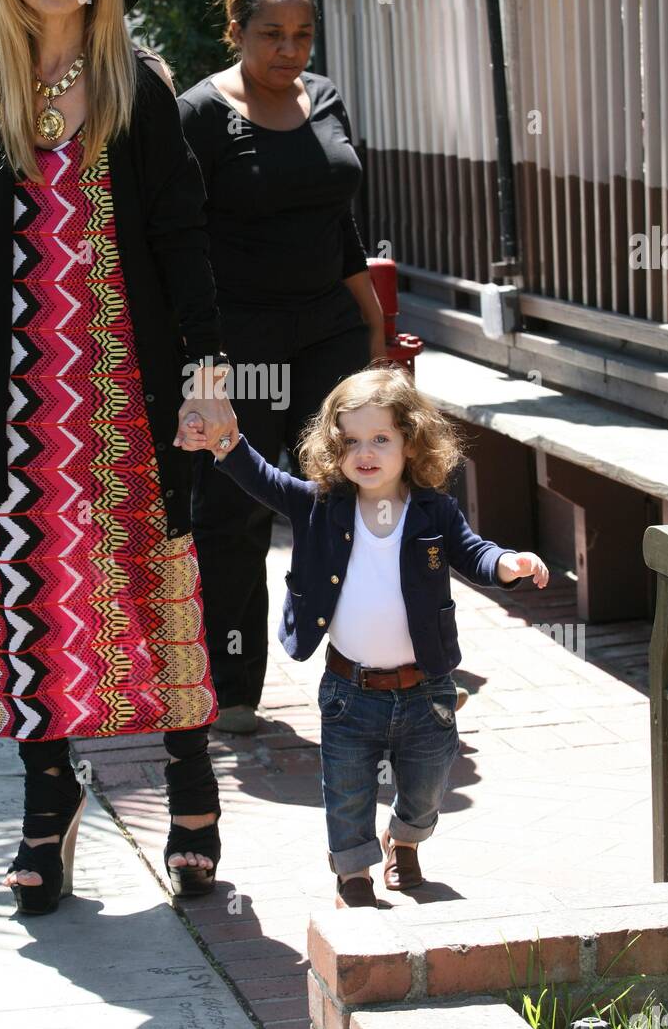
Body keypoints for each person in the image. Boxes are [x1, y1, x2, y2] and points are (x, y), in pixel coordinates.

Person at [0, 0, 238, 914]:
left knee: (158, 578)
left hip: (127, 385)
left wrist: (206, 373)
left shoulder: (135, 84)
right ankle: (45, 797)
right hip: (20, 394)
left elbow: (182, 236)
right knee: (29, 595)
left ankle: (191, 787)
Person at [179, 364, 548, 908]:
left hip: (427, 691)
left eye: (380, 438)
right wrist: (226, 442)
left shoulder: (433, 510)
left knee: (426, 788)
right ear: (334, 449)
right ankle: (353, 875)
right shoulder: (320, 505)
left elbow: (474, 551)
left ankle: (404, 837)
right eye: (350, 441)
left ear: (411, 442)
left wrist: (508, 563)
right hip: (349, 689)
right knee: (347, 793)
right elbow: (263, 479)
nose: (365, 452)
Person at [177, 0, 386, 735]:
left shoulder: (324, 98)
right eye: (272, 34)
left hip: (328, 330)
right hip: (242, 340)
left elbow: (339, 223)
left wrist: (372, 324)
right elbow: (175, 237)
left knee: (351, 495)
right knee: (233, 505)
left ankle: (374, 663)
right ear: (235, 32)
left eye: (302, 34)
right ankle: (231, 687)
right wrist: (195, 355)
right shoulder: (198, 114)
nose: (290, 51)